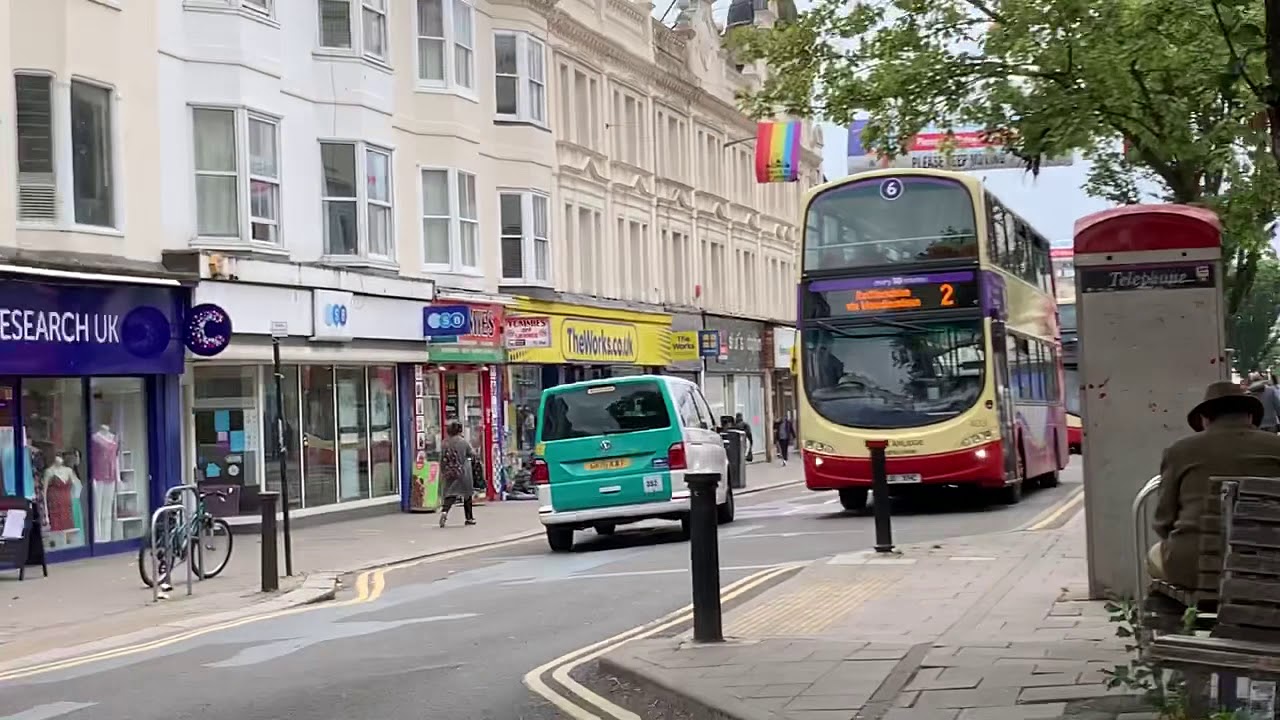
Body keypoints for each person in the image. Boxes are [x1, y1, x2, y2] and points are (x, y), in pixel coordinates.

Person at [1150, 381, 1280, 587]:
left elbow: (1163, 521)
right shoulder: (1276, 447)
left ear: (1205, 419)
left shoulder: (1179, 451)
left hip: (1194, 568)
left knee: (1155, 554)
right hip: (1269, 566)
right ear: (1250, 416)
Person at [439, 421, 477, 527]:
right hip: (462, 472)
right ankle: (469, 518)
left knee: (450, 493)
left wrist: (443, 471)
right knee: (467, 495)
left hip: (449, 472)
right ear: (459, 431)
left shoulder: (444, 442)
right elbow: (472, 454)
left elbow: (442, 458)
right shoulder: (463, 442)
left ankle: (444, 511)